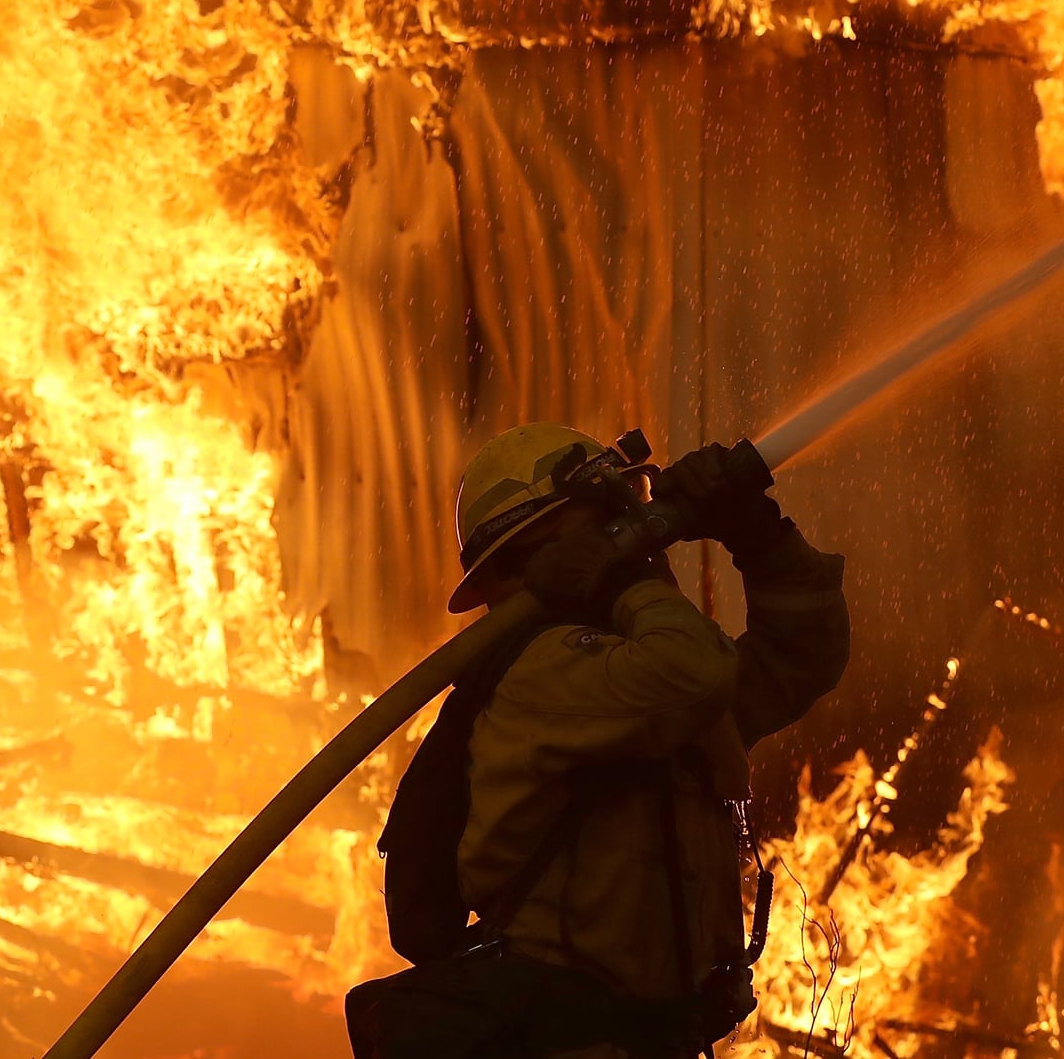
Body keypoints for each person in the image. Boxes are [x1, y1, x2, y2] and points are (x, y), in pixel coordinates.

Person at [347, 423, 850, 1059]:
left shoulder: (634, 683)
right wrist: (614, 581)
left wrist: (756, 533)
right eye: (612, 526)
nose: (642, 546)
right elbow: (692, 674)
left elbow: (800, 657)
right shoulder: (542, 673)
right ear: (534, 559)